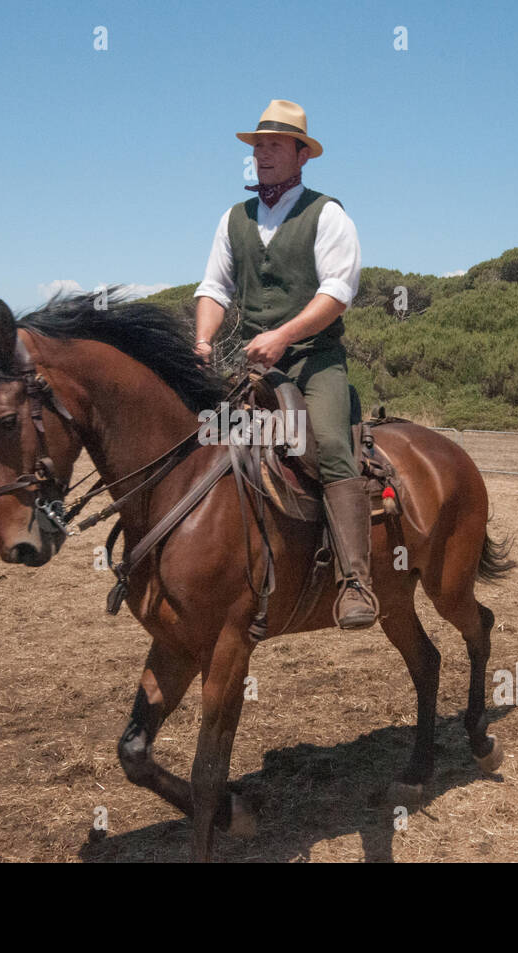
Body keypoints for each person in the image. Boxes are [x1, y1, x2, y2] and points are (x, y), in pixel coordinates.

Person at [193, 99, 375, 629]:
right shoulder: (233, 219)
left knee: (331, 445)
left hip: (314, 360)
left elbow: (337, 293)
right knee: (203, 437)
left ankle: (356, 581)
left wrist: (284, 335)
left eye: (274, 145)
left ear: (302, 155)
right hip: (254, 365)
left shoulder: (328, 215)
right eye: (258, 146)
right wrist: (203, 339)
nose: (263, 154)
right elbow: (213, 288)